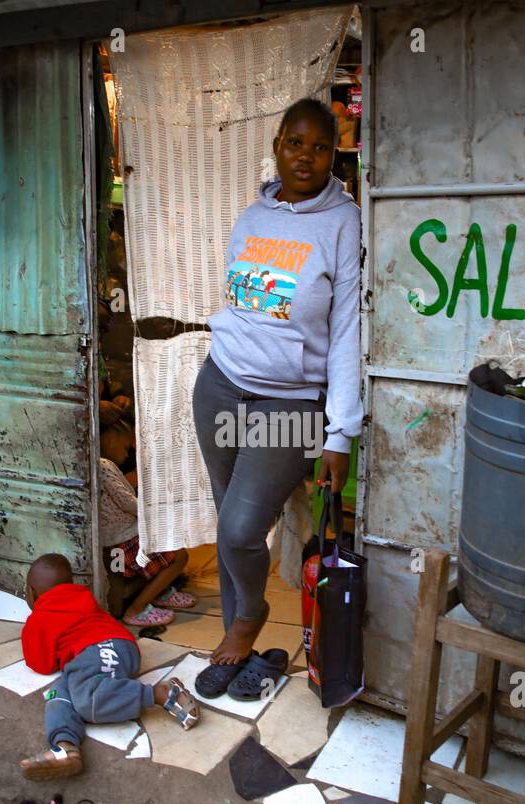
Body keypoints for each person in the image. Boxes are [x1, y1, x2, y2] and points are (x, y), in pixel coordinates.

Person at [192, 97, 361, 695]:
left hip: (287, 403)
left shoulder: (344, 222)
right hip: (218, 385)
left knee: (241, 528)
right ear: (277, 146)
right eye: (296, 143)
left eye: (321, 147)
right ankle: (232, 634)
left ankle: (249, 618)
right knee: (225, 516)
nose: (307, 157)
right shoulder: (253, 215)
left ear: (334, 155)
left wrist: (340, 432)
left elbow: (345, 334)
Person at [18, 553, 199, 780]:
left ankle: (159, 694)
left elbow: (40, 665)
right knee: (60, 694)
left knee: (89, 701)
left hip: (99, 651)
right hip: (118, 648)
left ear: (31, 592)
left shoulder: (40, 617)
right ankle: (65, 746)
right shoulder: (83, 597)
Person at [98, 401, 196, 626]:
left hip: (111, 544)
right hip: (127, 540)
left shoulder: (91, 466)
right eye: (124, 447)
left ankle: (120, 612)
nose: (127, 454)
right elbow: (127, 502)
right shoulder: (105, 466)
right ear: (111, 439)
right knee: (178, 557)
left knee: (117, 578)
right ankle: (137, 608)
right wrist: (154, 511)